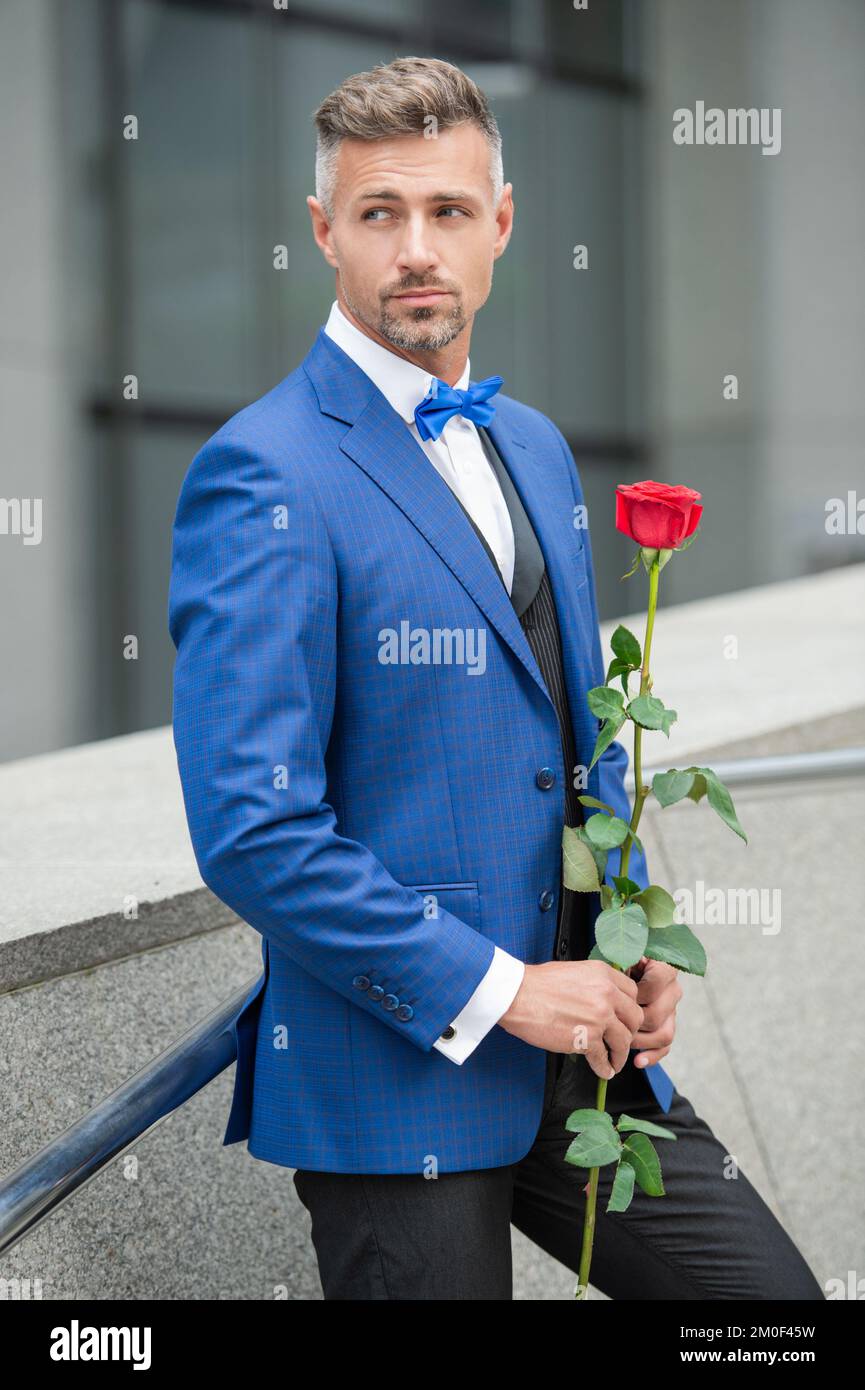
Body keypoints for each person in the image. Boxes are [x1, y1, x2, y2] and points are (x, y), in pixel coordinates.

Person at [168, 56, 823, 1301]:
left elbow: (576, 732)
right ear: (324, 231)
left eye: (449, 210)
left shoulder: (533, 445)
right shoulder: (263, 472)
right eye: (380, 213)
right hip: (395, 1079)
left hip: (591, 1059)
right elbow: (254, 830)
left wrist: (633, 932)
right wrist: (505, 990)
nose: (417, 249)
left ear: (502, 224)